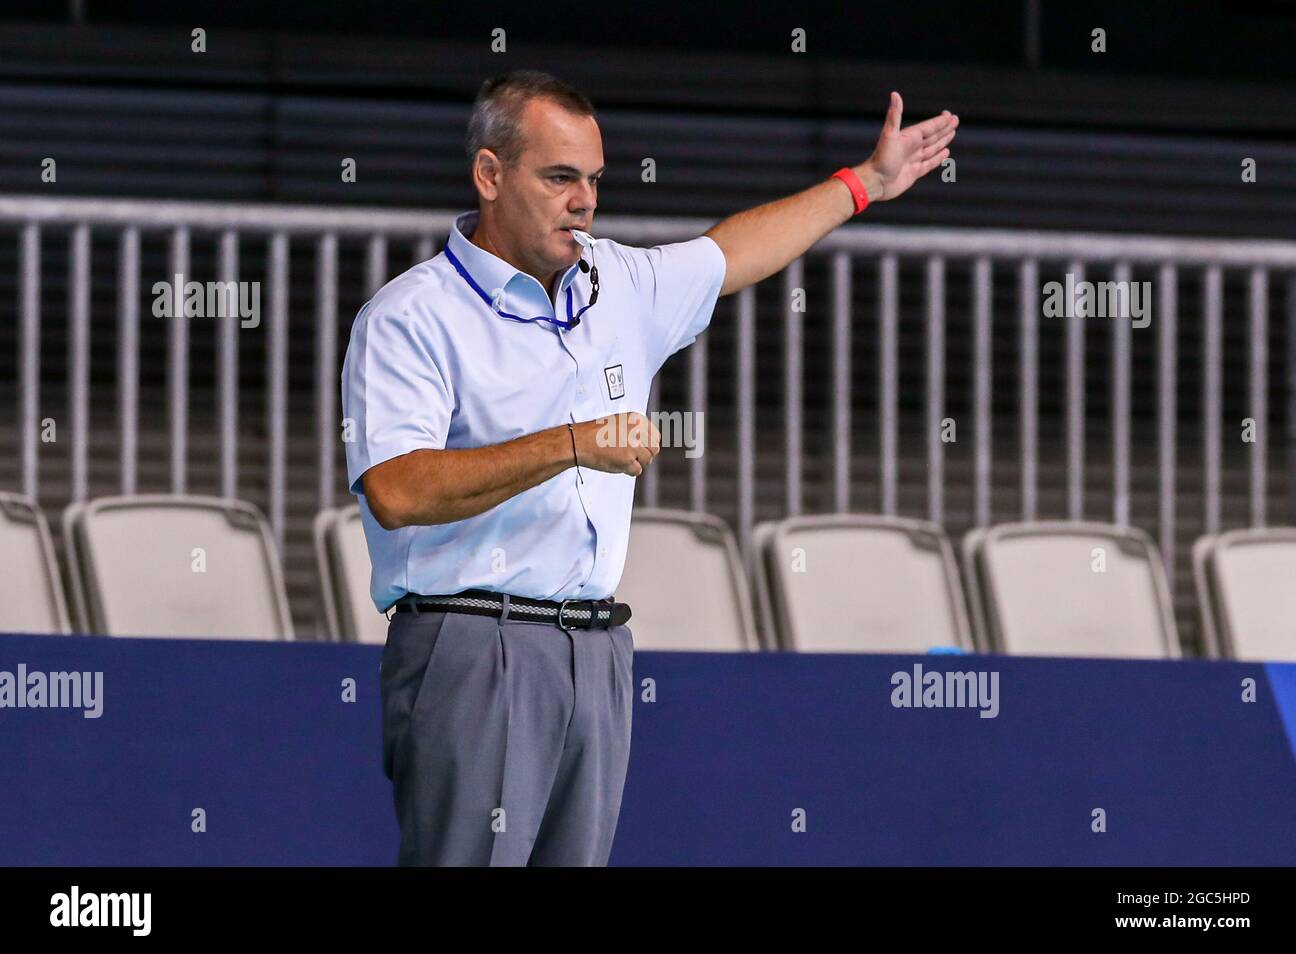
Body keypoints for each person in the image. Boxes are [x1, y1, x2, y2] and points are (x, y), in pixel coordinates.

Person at [341, 68, 957, 866]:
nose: (585, 200)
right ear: (489, 175)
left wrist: (863, 183)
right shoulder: (410, 316)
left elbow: (731, 252)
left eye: (593, 179)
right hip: (470, 645)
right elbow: (396, 489)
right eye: (559, 177)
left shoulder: (619, 282)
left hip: (596, 649)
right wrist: (572, 441)